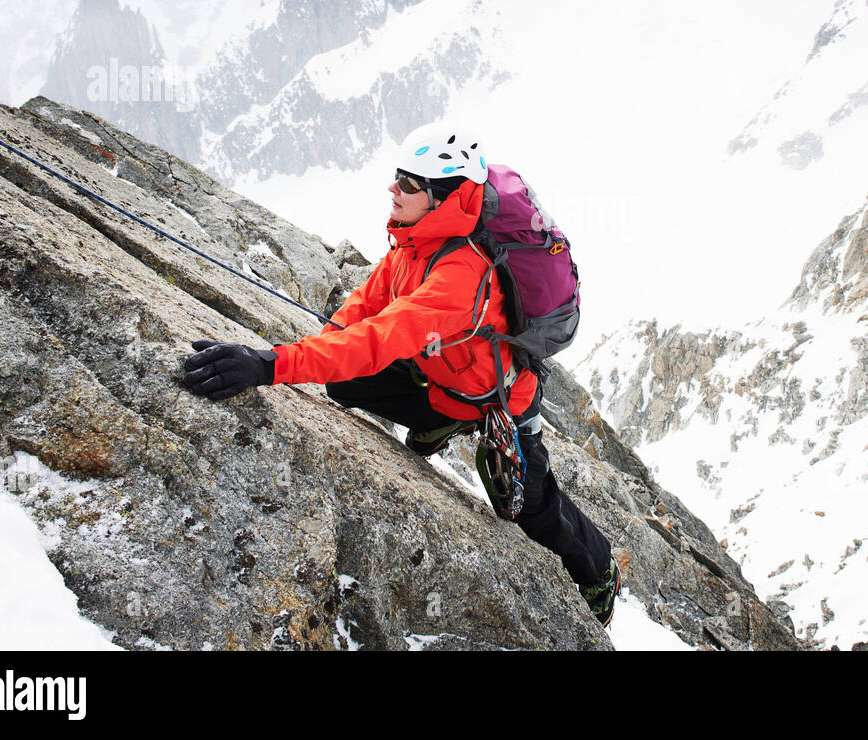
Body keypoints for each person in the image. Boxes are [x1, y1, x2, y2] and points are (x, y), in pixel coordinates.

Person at [183, 123, 620, 627]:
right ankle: (443, 419)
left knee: (532, 509)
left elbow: (378, 339)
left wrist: (270, 365)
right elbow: (364, 309)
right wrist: (311, 349)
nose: (394, 189)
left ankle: (599, 570)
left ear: (441, 199)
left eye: (409, 184)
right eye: (397, 177)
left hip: (499, 399)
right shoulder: (416, 240)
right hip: (442, 374)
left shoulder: (460, 277)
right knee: (344, 380)